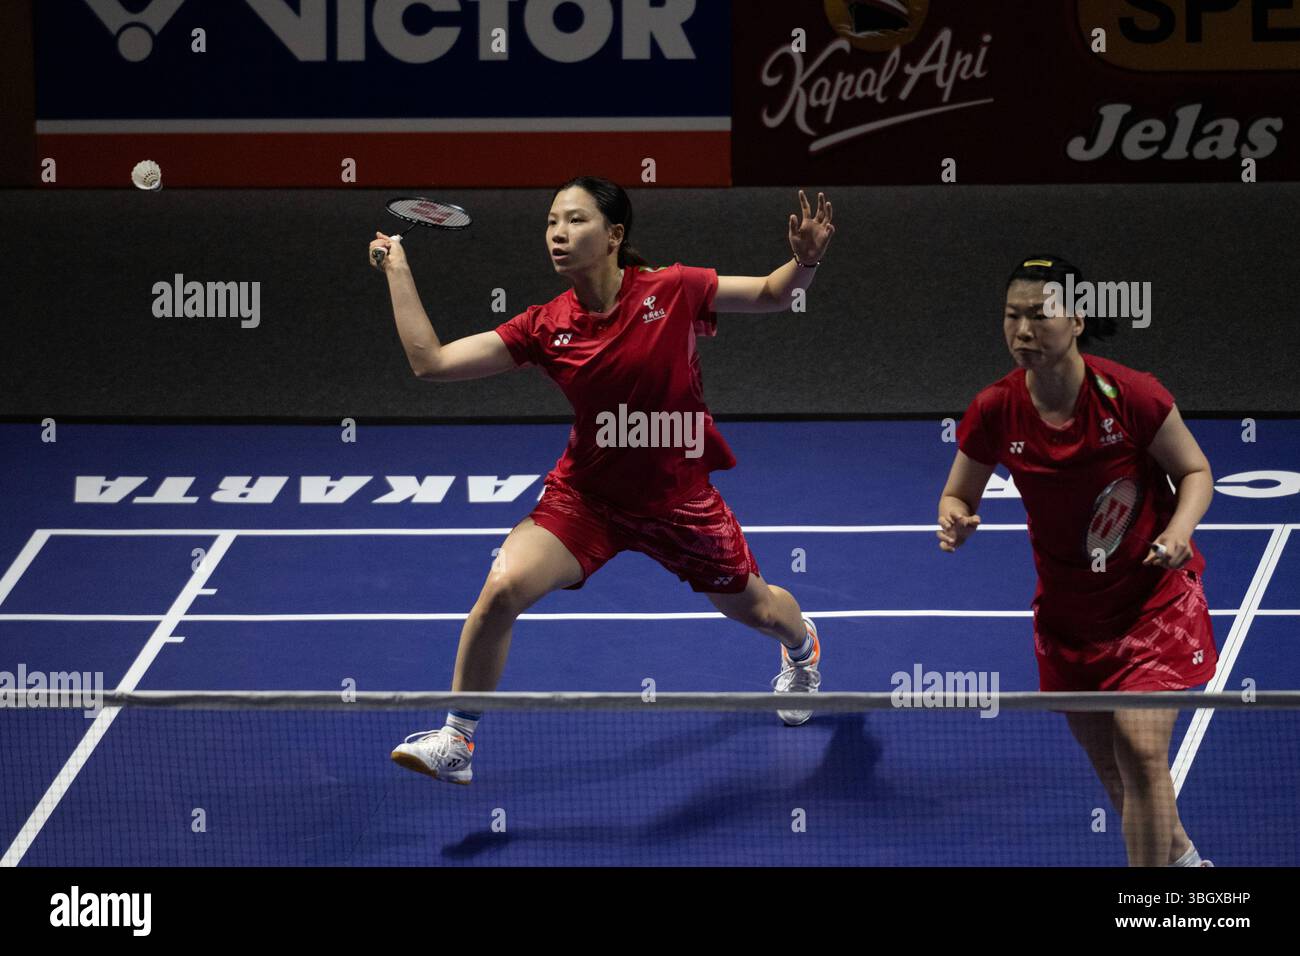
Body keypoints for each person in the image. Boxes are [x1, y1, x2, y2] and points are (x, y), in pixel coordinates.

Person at [370, 176, 836, 784]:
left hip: (680, 501)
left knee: (761, 610)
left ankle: (803, 650)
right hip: (588, 499)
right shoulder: (545, 325)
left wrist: (806, 259)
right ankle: (457, 741)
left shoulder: (674, 289)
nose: (558, 234)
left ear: (614, 235)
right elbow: (430, 363)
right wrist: (397, 269)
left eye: (575, 220)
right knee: (504, 587)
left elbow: (776, 294)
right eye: (550, 222)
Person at [936, 255, 1218, 866]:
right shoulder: (994, 409)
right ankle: (1191, 871)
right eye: (1013, 316)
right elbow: (960, 490)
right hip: (1069, 620)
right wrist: (954, 517)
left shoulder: (1131, 395)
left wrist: (1177, 530)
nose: (1024, 330)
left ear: (1078, 319)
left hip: (1152, 606)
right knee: (1122, 783)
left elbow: (1195, 471)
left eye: (1041, 314)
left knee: (1141, 755)